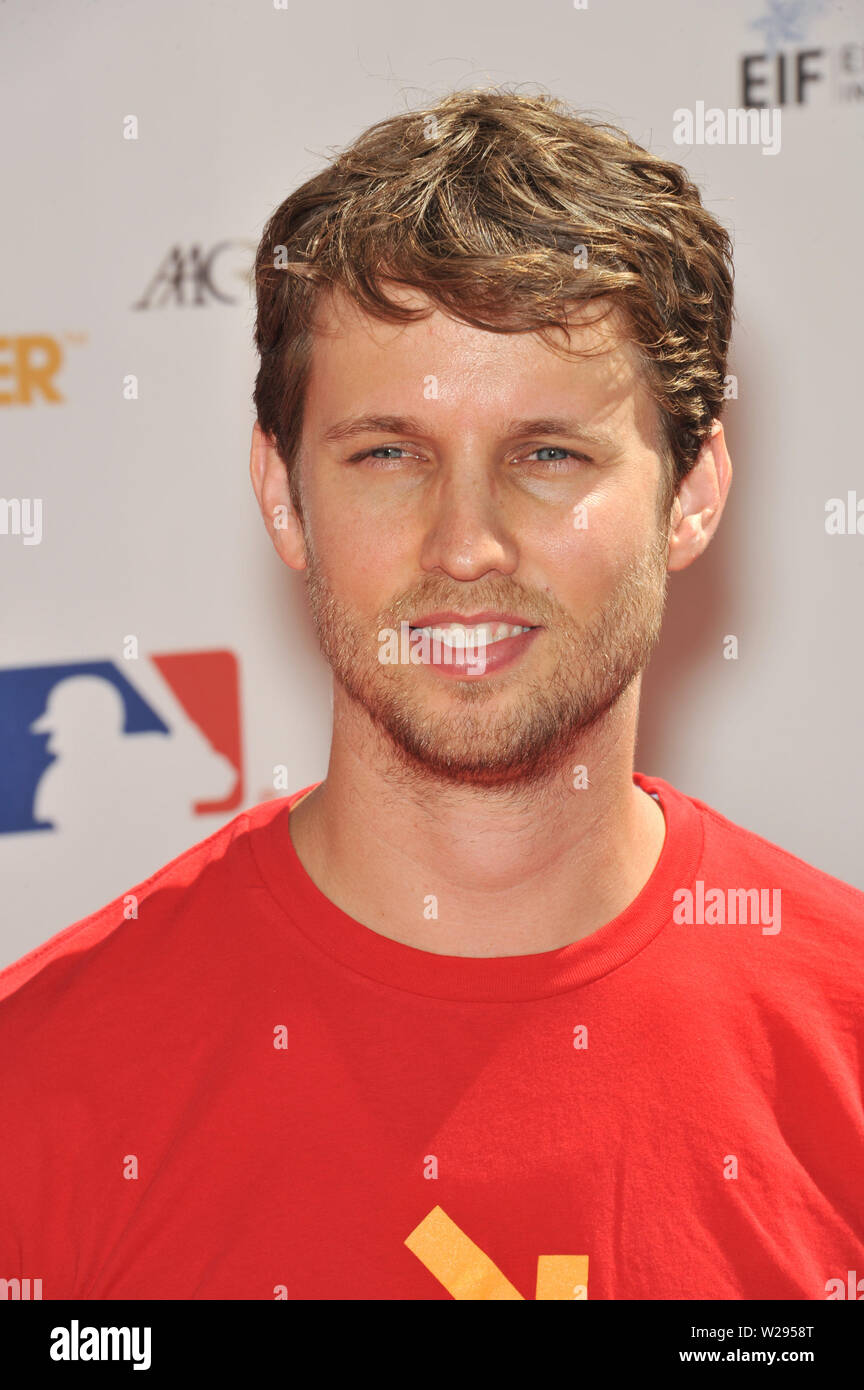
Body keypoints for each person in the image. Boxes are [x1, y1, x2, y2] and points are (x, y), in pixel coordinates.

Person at [1, 88, 862, 1302]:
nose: (466, 545)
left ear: (695, 491)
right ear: (284, 496)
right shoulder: (37, 1089)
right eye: (389, 454)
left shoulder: (846, 1039)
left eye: (549, 453)